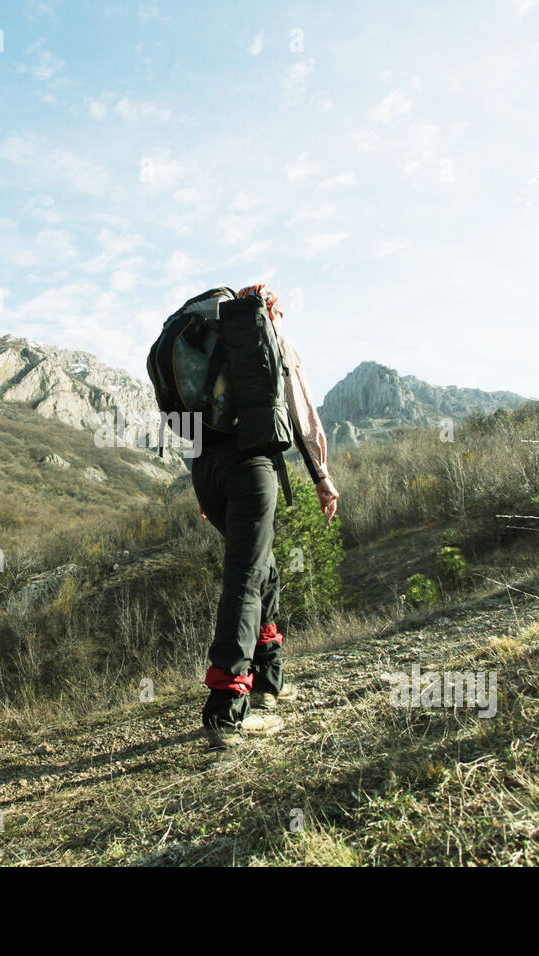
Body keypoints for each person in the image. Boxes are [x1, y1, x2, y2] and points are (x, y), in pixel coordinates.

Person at [192, 284, 339, 750]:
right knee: (247, 577)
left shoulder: (204, 340)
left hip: (205, 468)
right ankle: (226, 711)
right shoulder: (268, 335)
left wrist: (207, 483)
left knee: (264, 571)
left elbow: (190, 417)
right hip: (250, 467)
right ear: (266, 307)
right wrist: (321, 475)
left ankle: (266, 685)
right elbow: (300, 410)